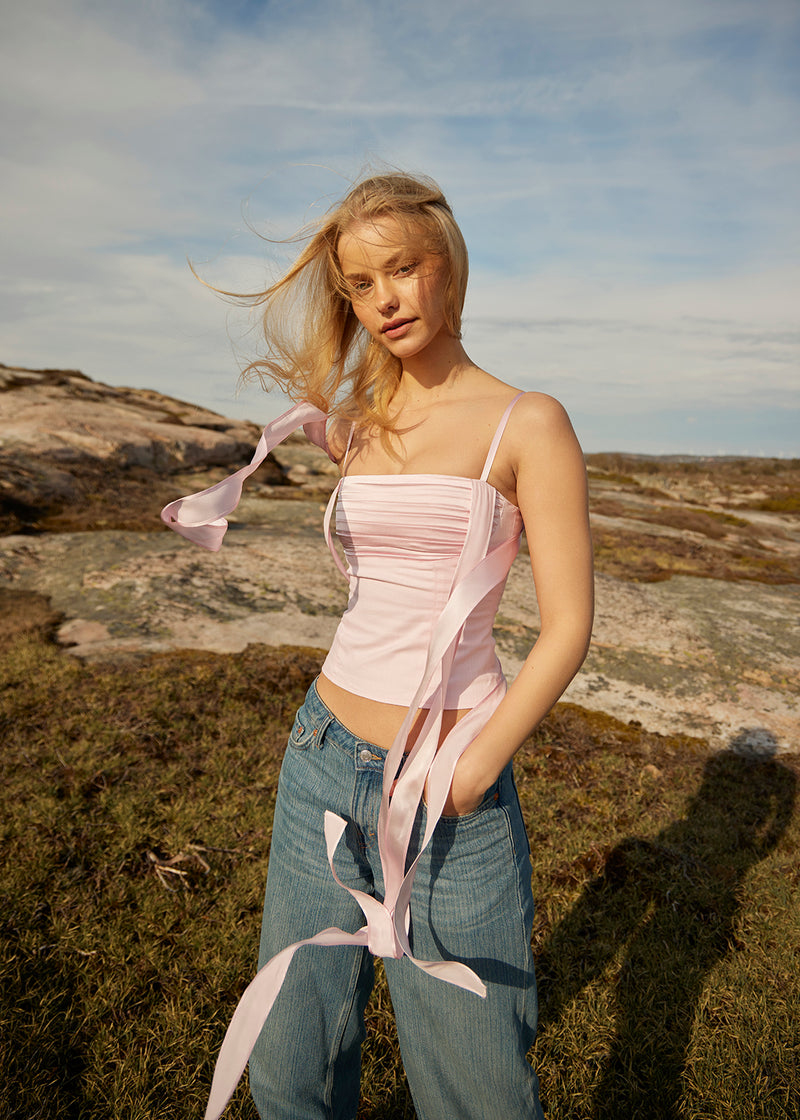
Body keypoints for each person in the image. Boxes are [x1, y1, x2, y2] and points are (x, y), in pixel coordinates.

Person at [162, 171, 594, 1120]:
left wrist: (475, 768)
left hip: (449, 783)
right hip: (321, 754)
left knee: (474, 1087)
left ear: (451, 269)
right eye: (362, 284)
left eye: (404, 269)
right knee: (293, 1061)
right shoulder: (360, 422)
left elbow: (569, 625)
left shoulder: (530, 422)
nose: (385, 299)